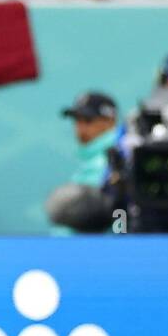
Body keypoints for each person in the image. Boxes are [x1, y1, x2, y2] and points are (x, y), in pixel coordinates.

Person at [45, 91, 120, 233]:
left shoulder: (106, 163)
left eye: (88, 120)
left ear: (110, 121)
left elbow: (117, 226)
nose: (80, 127)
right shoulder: (98, 160)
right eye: (76, 120)